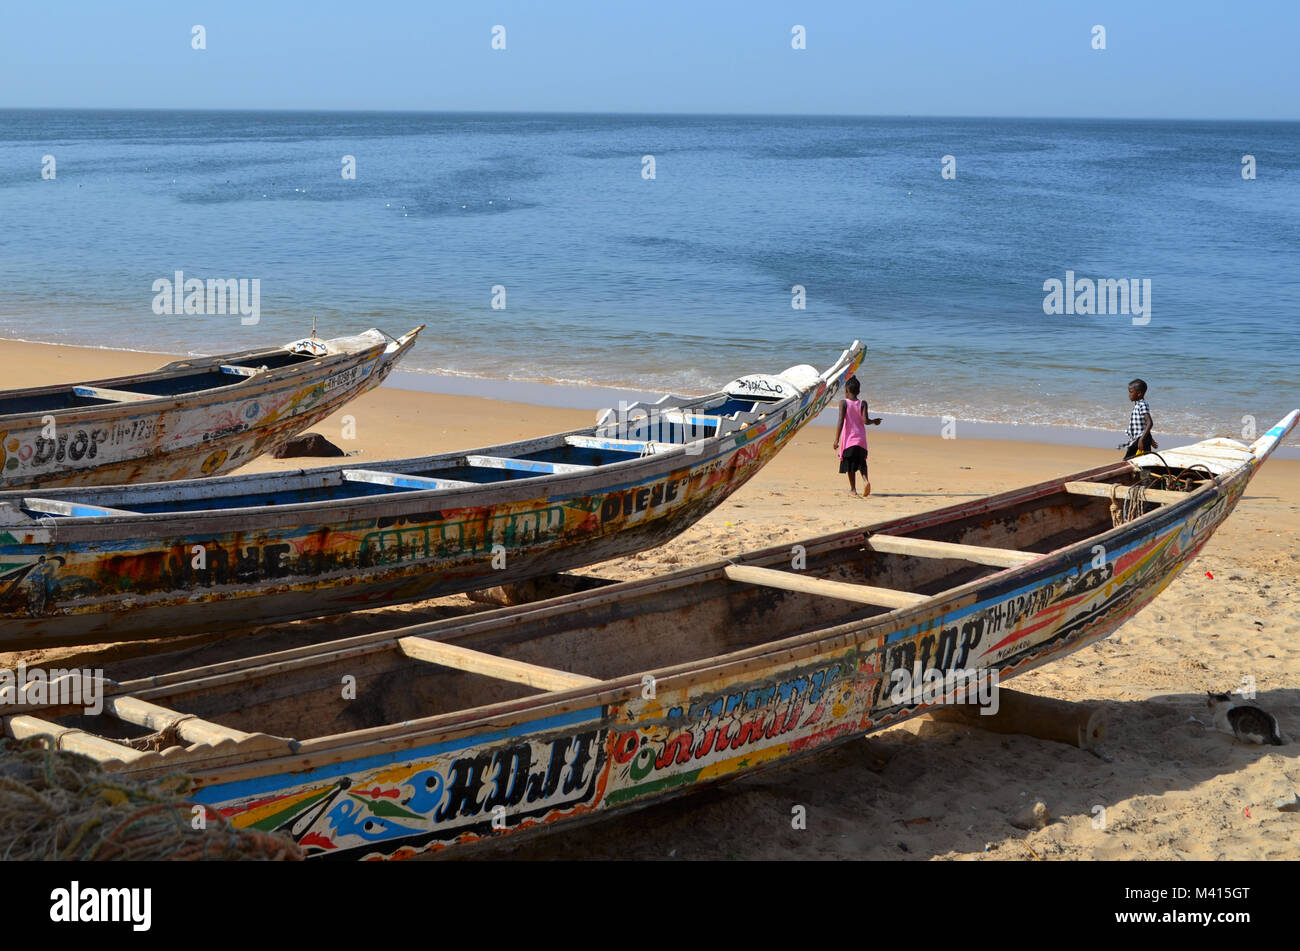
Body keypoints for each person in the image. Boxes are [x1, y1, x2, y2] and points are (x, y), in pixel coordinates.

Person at [833, 376, 882, 496]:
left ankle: (853, 490)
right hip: (860, 439)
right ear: (858, 391)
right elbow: (865, 421)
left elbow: (840, 421)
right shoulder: (863, 403)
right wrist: (874, 421)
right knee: (861, 462)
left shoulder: (843, 403)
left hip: (849, 439)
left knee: (850, 464)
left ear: (846, 391)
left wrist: (836, 439)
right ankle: (866, 481)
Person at [1120, 378, 1157, 459]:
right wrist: (1150, 439)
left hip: (1141, 439)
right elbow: (1143, 425)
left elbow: (1150, 423)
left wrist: (1142, 439)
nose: (1129, 395)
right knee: (1143, 459)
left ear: (1139, 393)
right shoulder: (1138, 404)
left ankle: (1145, 471)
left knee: (1129, 459)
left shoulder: (1142, 405)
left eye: (1131, 392)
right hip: (1140, 438)